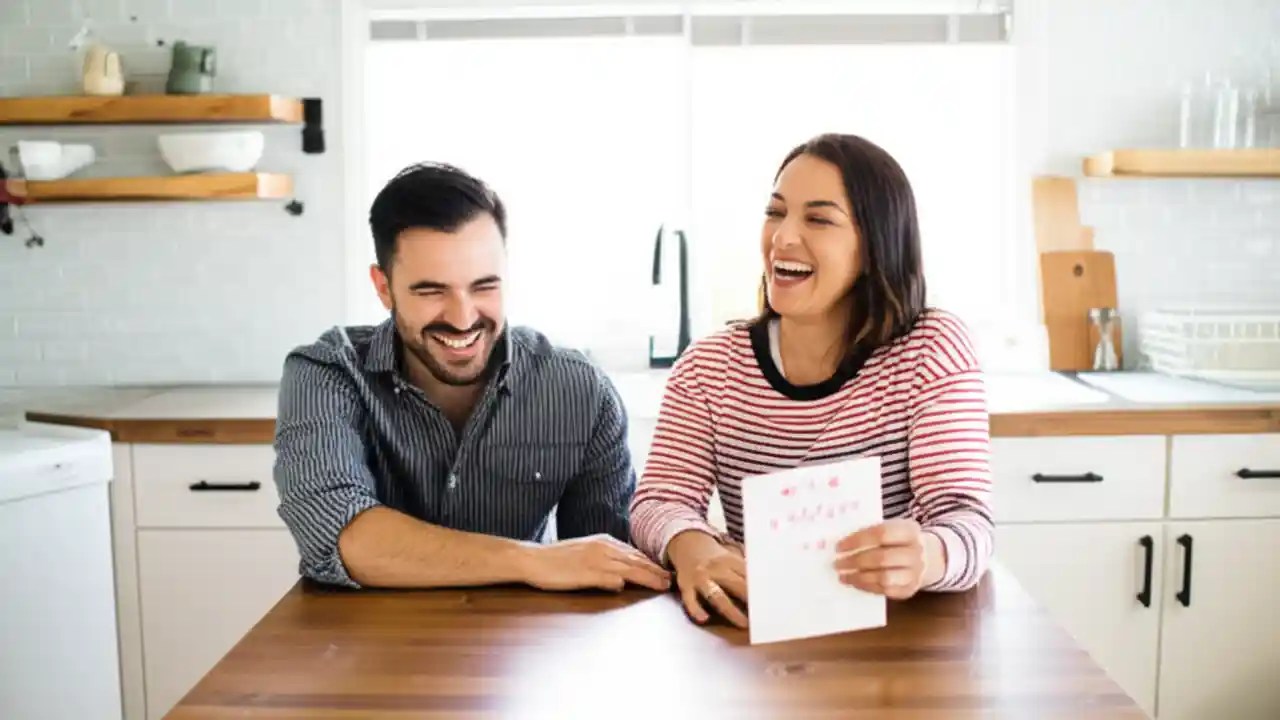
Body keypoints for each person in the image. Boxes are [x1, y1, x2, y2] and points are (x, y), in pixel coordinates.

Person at [629, 134, 993, 627]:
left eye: (818, 219)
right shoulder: (709, 368)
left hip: (893, 640)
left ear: (875, 245)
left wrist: (928, 555)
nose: (782, 237)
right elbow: (659, 500)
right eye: (776, 212)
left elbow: (967, 521)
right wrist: (693, 550)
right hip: (758, 636)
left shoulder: (931, 350)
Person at [273, 162, 669, 593]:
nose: (463, 319)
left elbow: (608, 564)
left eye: (484, 286)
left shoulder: (580, 391)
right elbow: (342, 535)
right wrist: (531, 560)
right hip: (362, 651)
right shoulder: (328, 373)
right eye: (431, 291)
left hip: (519, 649)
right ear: (383, 287)